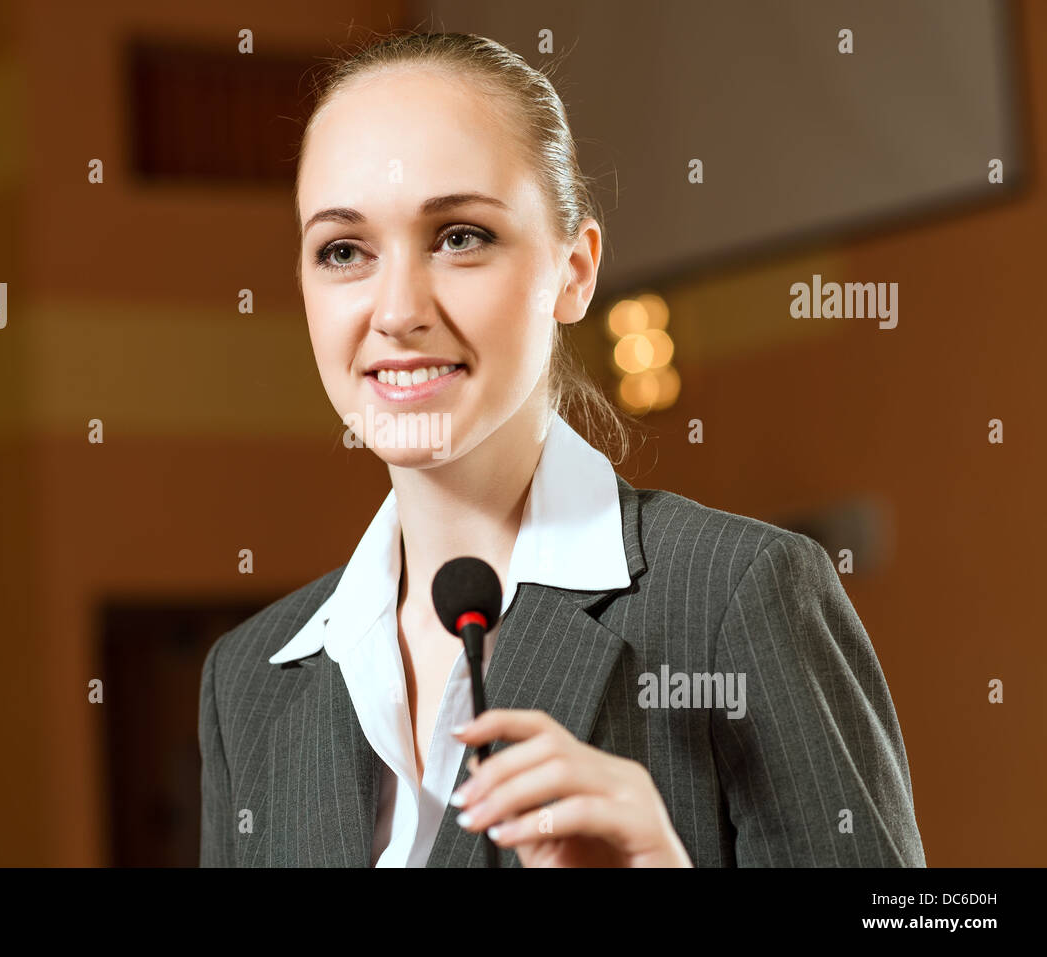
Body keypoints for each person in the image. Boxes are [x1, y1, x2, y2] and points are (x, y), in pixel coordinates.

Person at [198, 31, 925, 867]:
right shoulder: (248, 681)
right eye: (343, 251)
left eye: (459, 236)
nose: (396, 309)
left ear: (574, 270)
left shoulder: (736, 598)